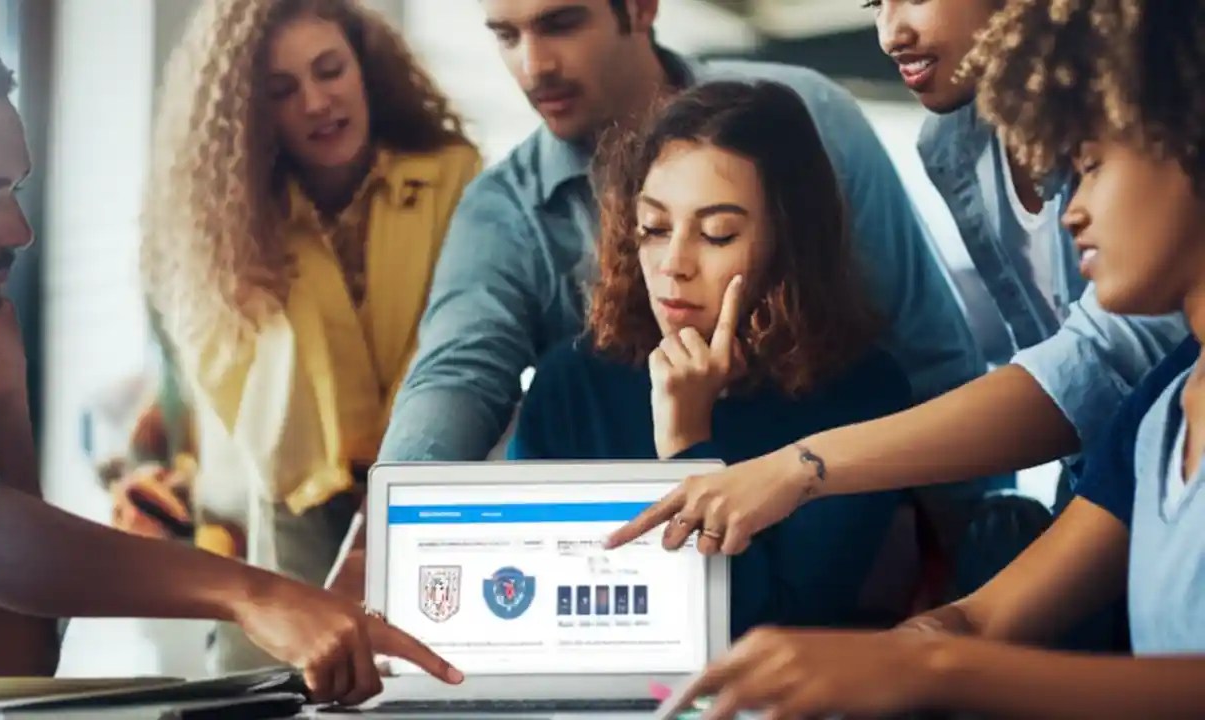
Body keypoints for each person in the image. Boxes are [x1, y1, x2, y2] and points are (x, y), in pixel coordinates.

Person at [329, 0, 987, 604]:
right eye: (651, 227)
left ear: (640, 9)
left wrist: (977, 580)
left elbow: (935, 362)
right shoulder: (559, 358)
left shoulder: (815, 119)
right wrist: (391, 550)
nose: (532, 66)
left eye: (560, 23)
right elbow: (457, 376)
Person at [661, 2, 1205, 717]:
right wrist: (888, 657)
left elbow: (1090, 363)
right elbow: (979, 619)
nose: (1071, 208)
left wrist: (936, 666)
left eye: (1093, 163)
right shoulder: (1157, 416)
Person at [0, 24, 461, 704]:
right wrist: (252, 594)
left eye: (14, 193)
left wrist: (1, 400)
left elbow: (8, 662)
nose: (19, 233)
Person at [140, 0, 480, 670]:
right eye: (282, 90)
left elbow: (466, 332)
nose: (318, 102)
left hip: (430, 479)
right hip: (296, 492)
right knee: (275, 683)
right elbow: (237, 383)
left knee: (432, 675)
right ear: (251, 115)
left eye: (331, 71)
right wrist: (331, 466)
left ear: (366, 69)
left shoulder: (453, 176)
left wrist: (396, 457)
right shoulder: (232, 222)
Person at [509, 81, 914, 635]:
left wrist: (687, 443)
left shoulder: (864, 394)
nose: (673, 263)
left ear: (787, 243)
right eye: (653, 228)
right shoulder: (571, 381)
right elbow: (523, 602)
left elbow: (767, 636)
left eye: (717, 235)